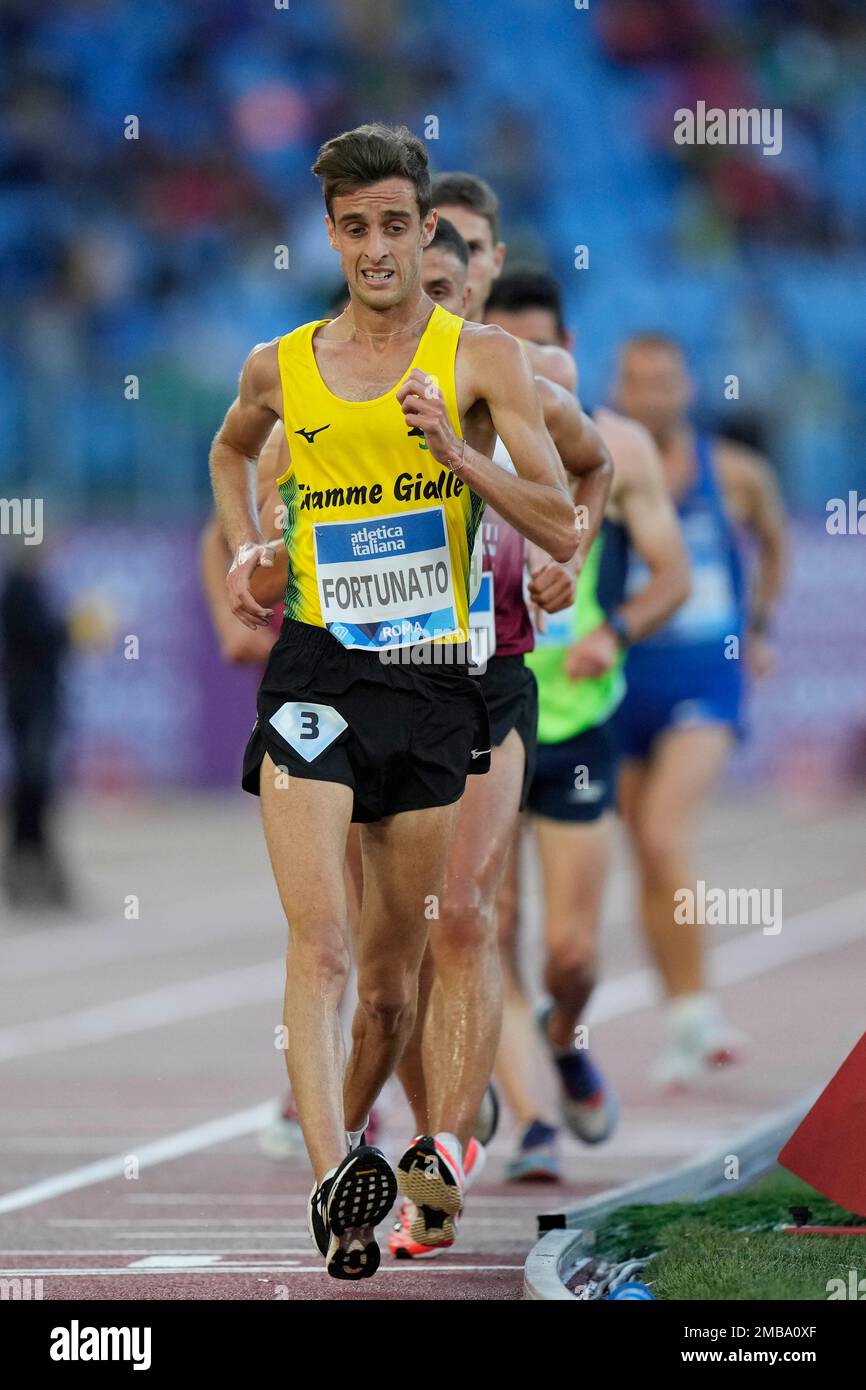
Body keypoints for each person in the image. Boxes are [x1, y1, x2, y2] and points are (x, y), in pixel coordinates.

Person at [208, 124, 579, 1281]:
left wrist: (458, 458)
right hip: (317, 673)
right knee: (317, 943)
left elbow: (561, 516)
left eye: (391, 227)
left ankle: (437, 1151)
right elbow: (230, 453)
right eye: (352, 228)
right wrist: (249, 550)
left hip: (433, 685)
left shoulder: (483, 363)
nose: (373, 249)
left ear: (428, 235)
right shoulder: (281, 362)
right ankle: (333, 1181)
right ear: (330, 235)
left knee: (405, 968)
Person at [483, 271, 691, 1179]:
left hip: (573, 726)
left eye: (543, 357)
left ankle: (561, 1040)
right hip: (483, 712)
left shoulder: (619, 449)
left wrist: (615, 628)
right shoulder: (457, 436)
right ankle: (531, 1121)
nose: (527, 374)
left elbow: (672, 576)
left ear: (566, 350)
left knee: (571, 951)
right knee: (487, 928)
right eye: (506, 353)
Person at [612, 332, 788, 1086]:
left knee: (661, 832)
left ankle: (701, 1009)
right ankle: (682, 1017)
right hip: (616, 679)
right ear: (619, 391)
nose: (652, 396)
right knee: (645, 857)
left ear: (686, 388)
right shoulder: (600, 463)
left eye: (664, 382)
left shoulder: (738, 473)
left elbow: (775, 546)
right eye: (637, 383)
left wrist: (759, 629)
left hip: (705, 682)